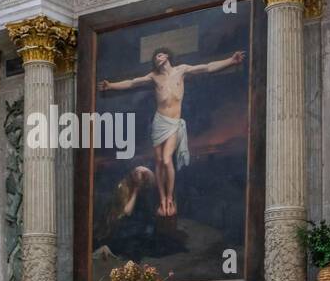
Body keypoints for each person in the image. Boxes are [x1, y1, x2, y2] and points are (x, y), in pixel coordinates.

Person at [100, 46, 245, 217]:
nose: (157, 58)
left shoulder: (181, 70)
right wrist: (110, 86)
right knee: (160, 160)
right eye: (155, 57)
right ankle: (162, 200)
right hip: (159, 122)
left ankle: (169, 198)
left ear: (167, 56)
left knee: (168, 159)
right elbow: (132, 82)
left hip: (173, 122)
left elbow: (206, 67)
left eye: (159, 55)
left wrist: (231, 60)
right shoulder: (154, 77)